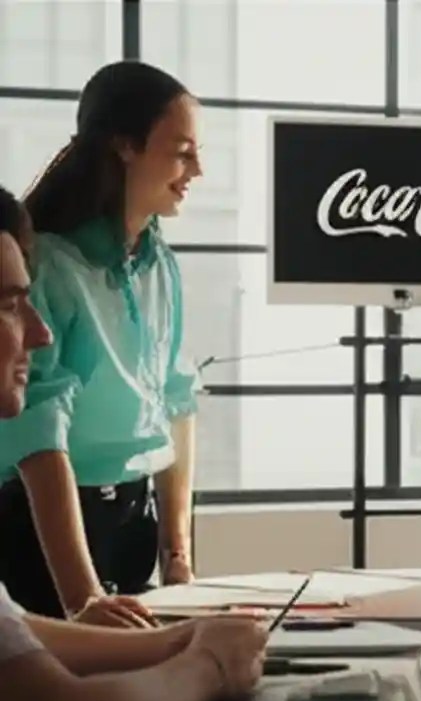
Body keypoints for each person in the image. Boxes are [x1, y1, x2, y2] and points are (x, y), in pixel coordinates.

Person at [0, 182, 268, 701]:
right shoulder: (63, 259)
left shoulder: (160, 263)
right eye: (9, 306)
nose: (39, 334)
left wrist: (185, 636)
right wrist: (208, 665)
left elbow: (17, 635)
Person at [0, 60, 204, 626]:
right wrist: (82, 598)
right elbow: (38, 431)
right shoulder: (46, 263)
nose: (197, 170)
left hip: (134, 518)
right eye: (183, 151)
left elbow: (177, 397)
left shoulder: (160, 261)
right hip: (52, 535)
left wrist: (177, 556)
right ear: (124, 147)